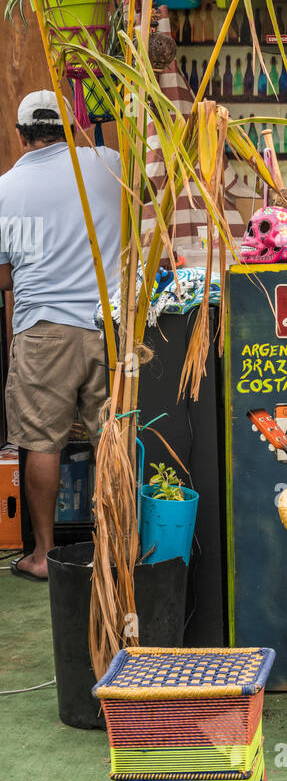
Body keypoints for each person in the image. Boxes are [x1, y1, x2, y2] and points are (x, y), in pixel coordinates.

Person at [0, 92, 121, 580]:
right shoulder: (107, 164)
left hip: (41, 331)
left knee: (42, 444)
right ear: (72, 127)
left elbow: (4, 278)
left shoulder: (5, 188)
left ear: (22, 133)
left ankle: (44, 555)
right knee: (110, 440)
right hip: (106, 326)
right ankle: (116, 546)